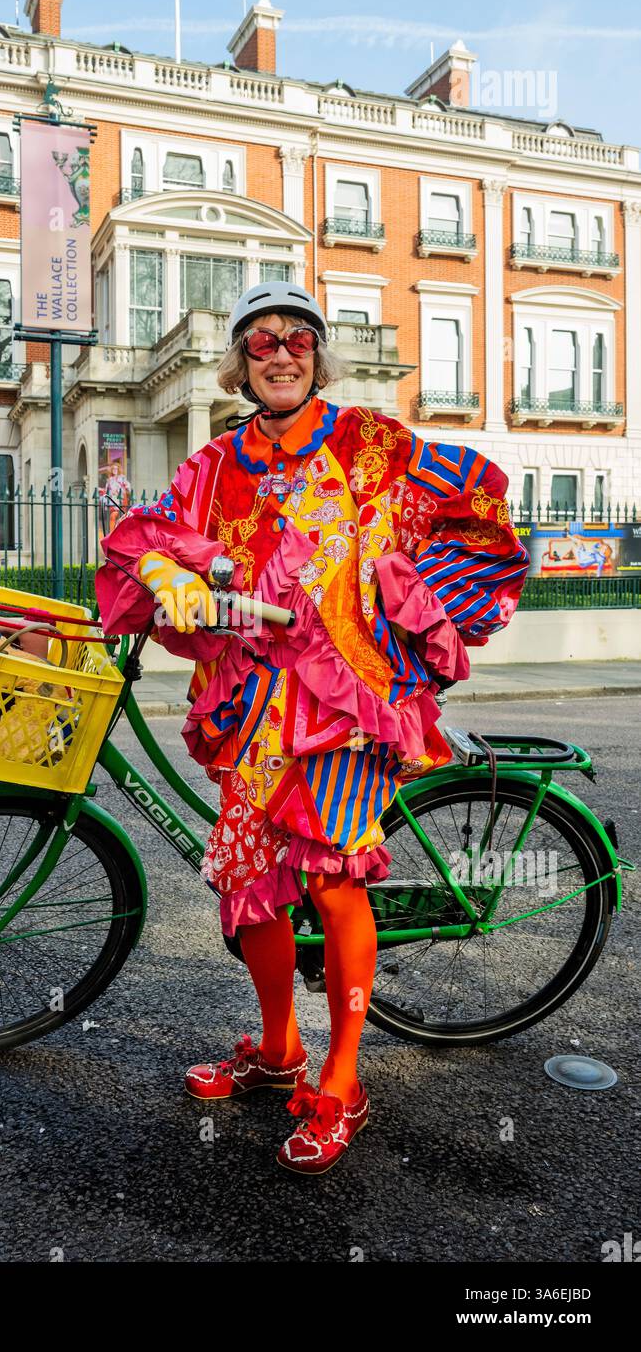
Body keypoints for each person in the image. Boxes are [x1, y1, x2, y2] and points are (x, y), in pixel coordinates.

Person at [95, 282, 531, 1175]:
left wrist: (401, 593)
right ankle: (280, 1049)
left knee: (334, 887)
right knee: (251, 882)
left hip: (345, 706)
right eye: (261, 342)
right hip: (249, 701)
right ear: (241, 363)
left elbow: (482, 509)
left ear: (319, 355)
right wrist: (170, 564)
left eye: (298, 338)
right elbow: (144, 535)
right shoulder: (214, 464)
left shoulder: (374, 443)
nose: (281, 353)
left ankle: (342, 1079)